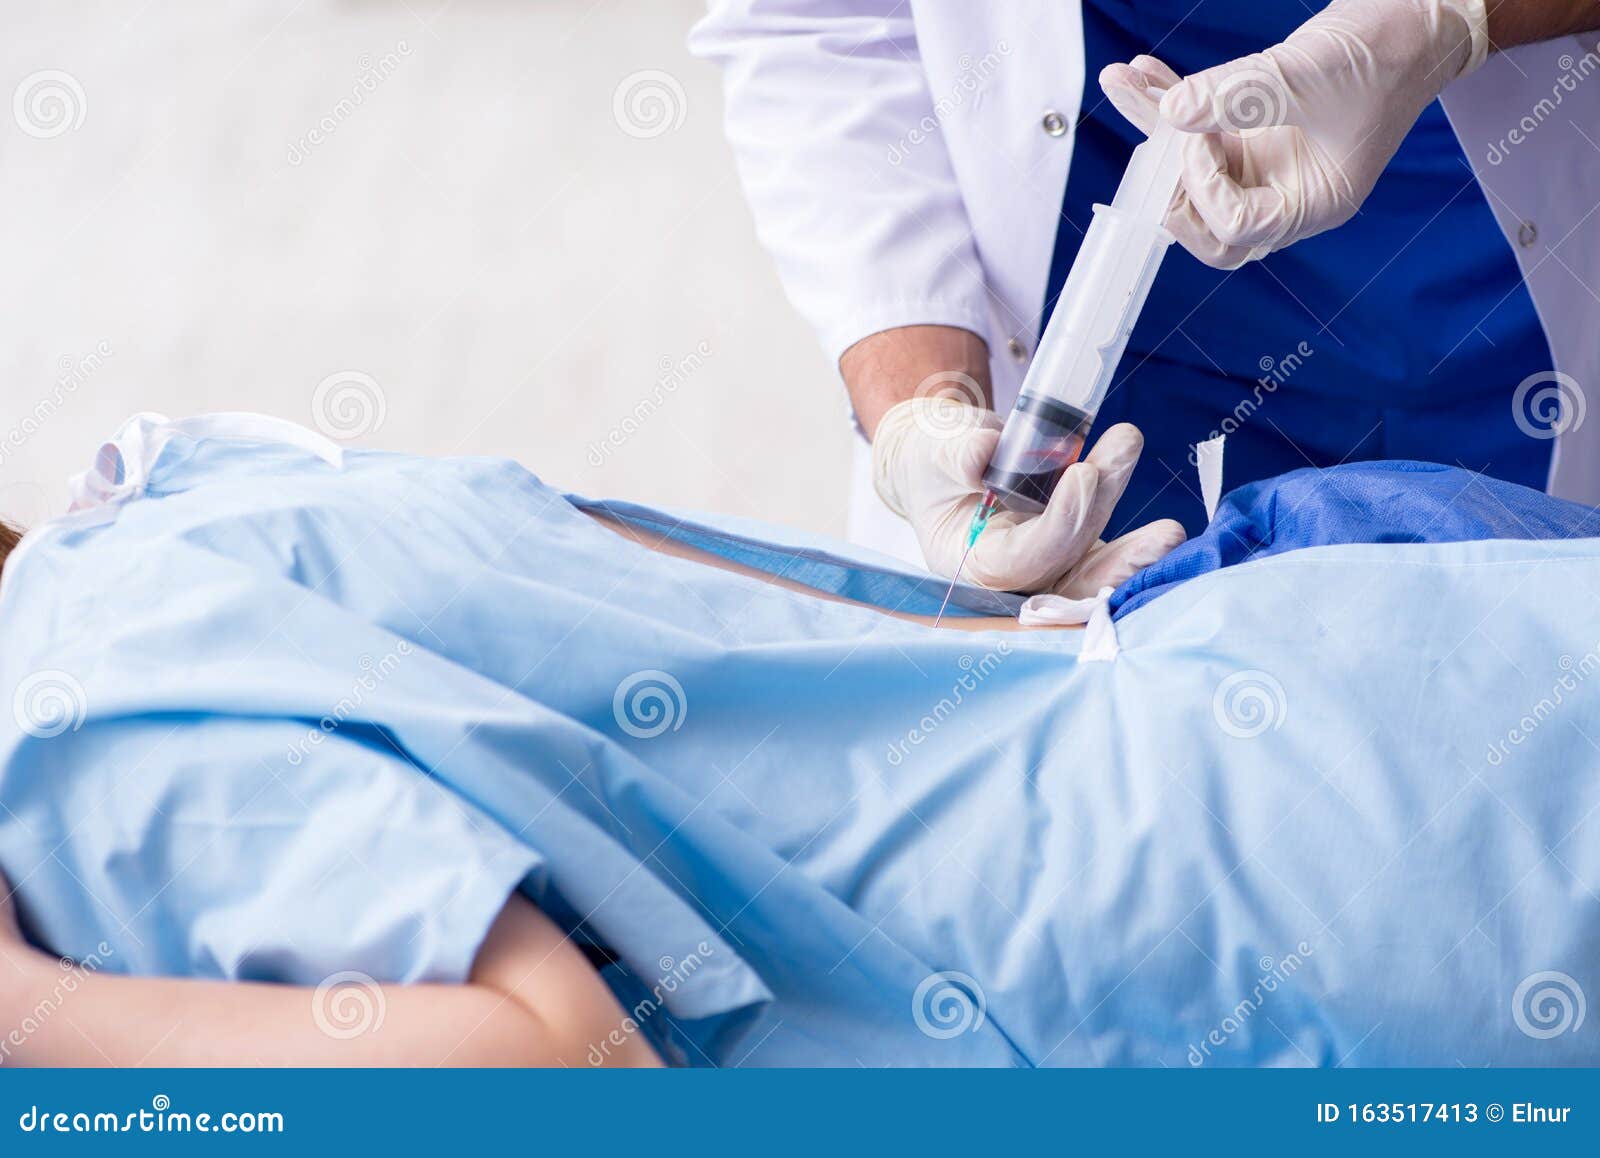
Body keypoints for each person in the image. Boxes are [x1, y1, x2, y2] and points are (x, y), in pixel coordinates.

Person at [3, 413, 1600, 1067]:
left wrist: (36, 1016)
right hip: (1326, 650)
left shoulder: (67, 740)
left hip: (1242, 928)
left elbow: (536, 1054)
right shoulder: (171, 498)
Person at [691, 0, 1600, 584]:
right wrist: (921, 422)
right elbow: (823, 29)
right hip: (1088, 333)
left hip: (1498, 304)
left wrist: (1444, 21)